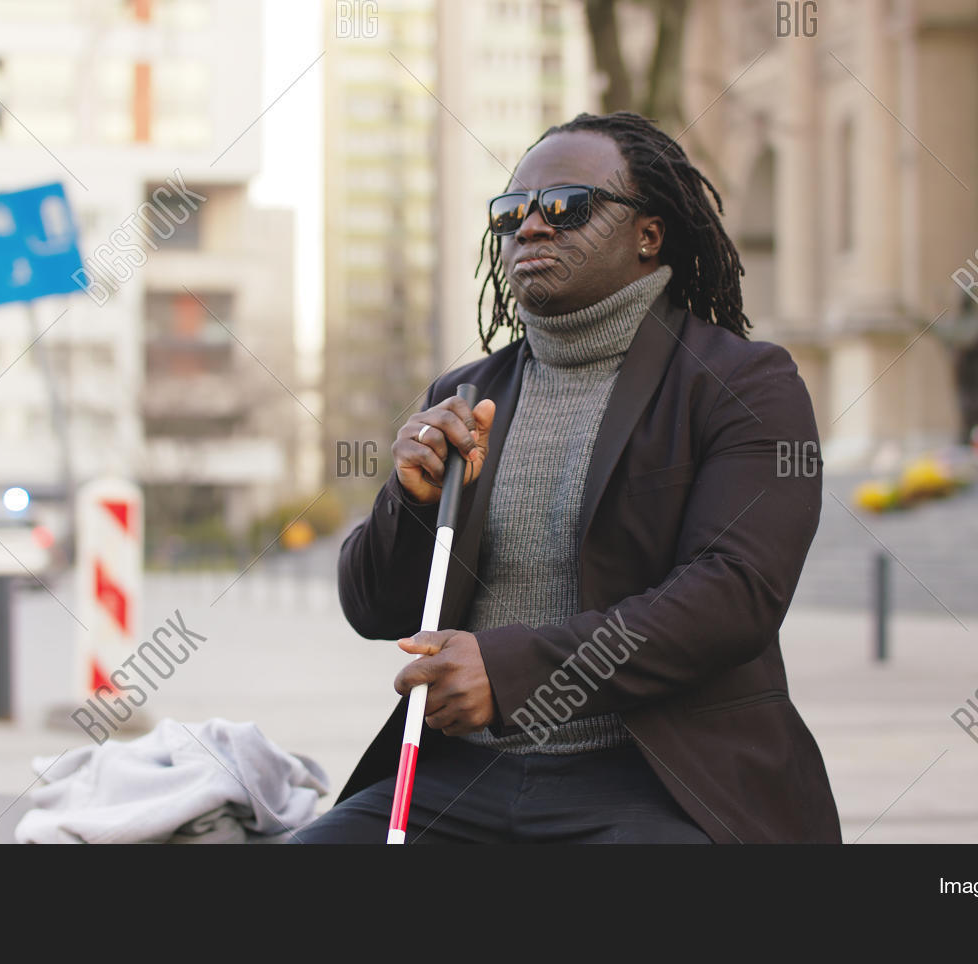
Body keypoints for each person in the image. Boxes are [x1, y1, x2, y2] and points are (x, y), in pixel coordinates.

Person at [296, 111, 839, 843]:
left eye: (566, 206)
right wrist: (410, 498)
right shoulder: (463, 395)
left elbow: (735, 595)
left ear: (649, 234)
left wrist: (516, 672)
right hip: (459, 782)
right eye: (513, 212)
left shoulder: (741, 383)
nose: (533, 227)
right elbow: (372, 608)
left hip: (653, 785)